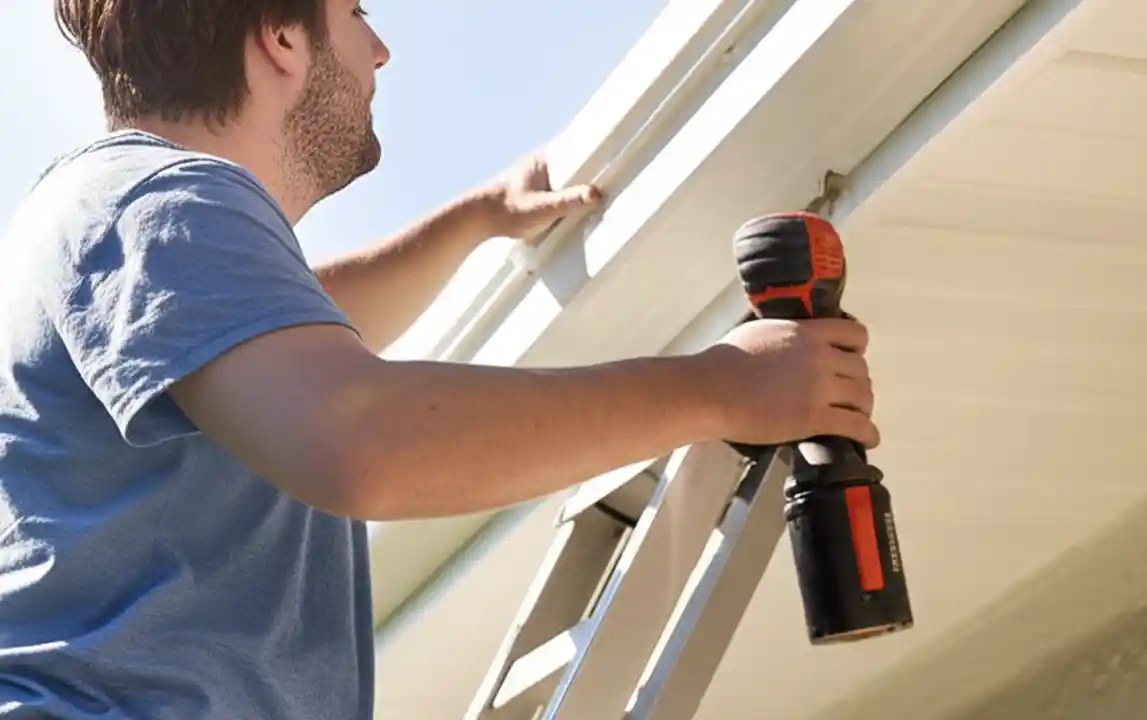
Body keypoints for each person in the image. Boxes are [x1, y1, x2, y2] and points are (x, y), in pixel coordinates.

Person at [0, 1, 880, 718]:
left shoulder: (118, 215)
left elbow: (283, 339)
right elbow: (360, 440)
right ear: (280, 39)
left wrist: (472, 223)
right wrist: (727, 388)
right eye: (354, 13)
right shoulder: (168, 199)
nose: (381, 51)